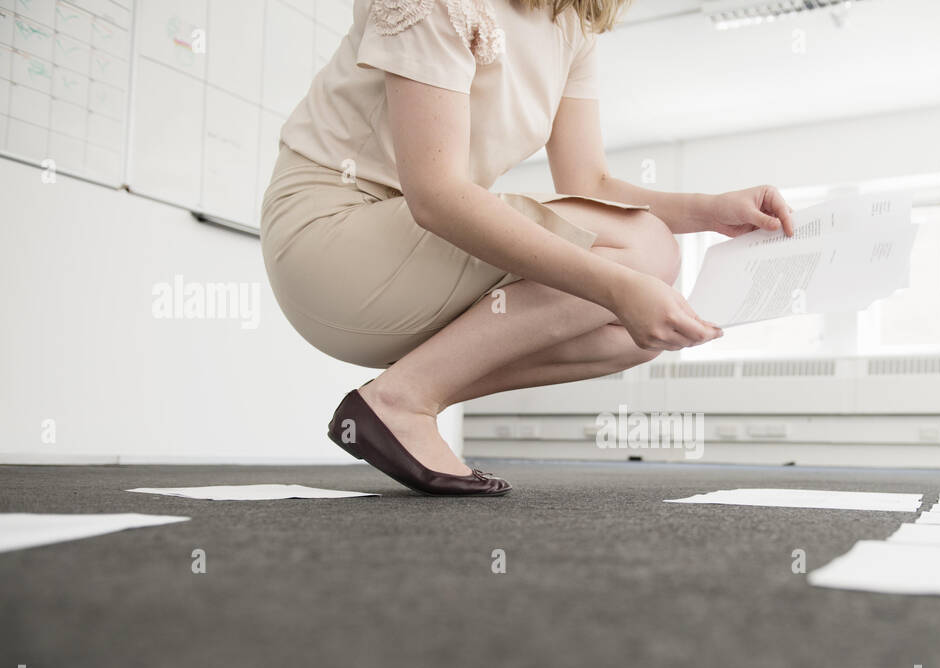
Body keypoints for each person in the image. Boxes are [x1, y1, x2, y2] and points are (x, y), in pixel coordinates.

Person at [261, 0, 794, 495]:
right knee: (644, 258)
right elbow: (438, 196)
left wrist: (711, 212)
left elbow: (591, 182)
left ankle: (406, 396)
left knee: (634, 338)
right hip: (333, 241)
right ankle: (401, 401)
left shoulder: (570, 23)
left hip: (410, 247)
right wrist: (621, 285)